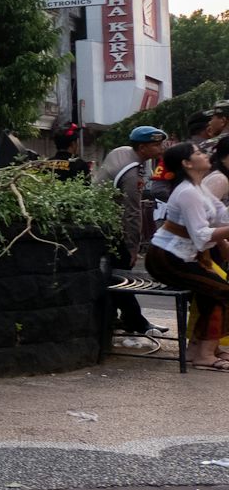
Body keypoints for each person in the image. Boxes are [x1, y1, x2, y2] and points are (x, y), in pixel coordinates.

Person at [143, 141, 229, 372]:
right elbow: (201, 237)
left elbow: (222, 217)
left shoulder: (199, 188)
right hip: (167, 258)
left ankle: (198, 350)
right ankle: (205, 354)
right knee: (223, 292)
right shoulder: (188, 192)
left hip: (183, 256)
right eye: (199, 153)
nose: (205, 155)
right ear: (187, 163)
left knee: (212, 294)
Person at [97, 125, 167, 337]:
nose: (160, 148)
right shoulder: (130, 171)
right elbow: (132, 212)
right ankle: (136, 321)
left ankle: (126, 319)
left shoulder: (121, 152)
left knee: (114, 277)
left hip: (103, 224)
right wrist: (132, 246)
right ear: (143, 148)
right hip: (114, 229)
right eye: (156, 145)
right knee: (121, 278)